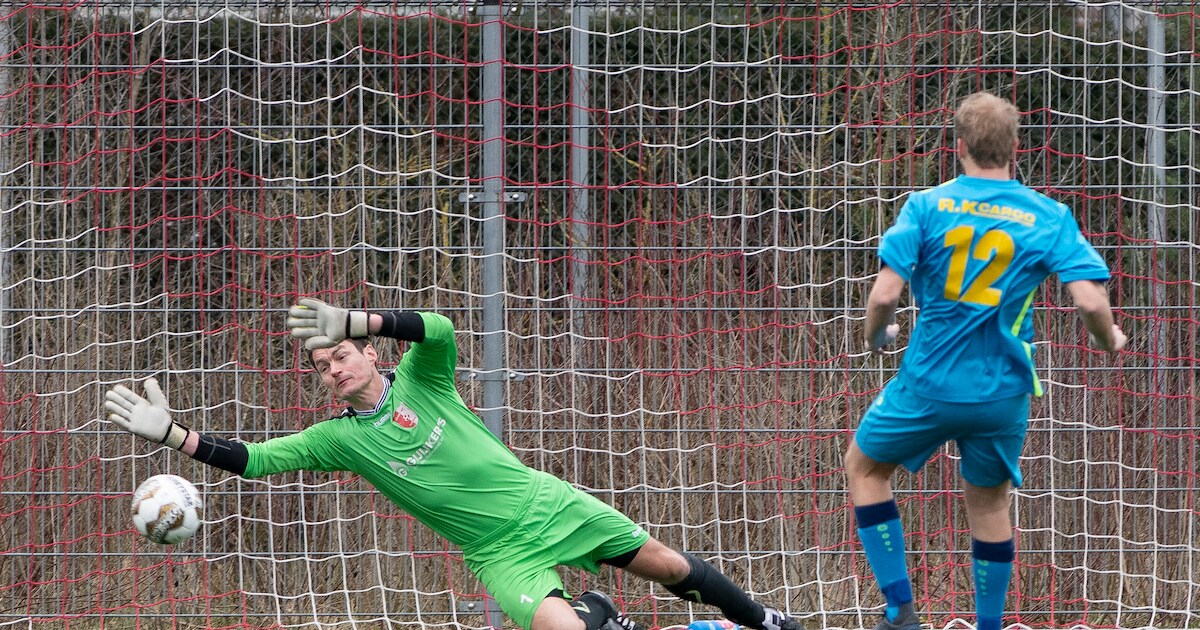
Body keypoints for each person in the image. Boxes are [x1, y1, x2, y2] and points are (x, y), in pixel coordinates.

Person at [105, 299, 800, 630]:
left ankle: (766, 623)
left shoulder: (421, 379)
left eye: (340, 355)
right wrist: (175, 435)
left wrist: (360, 319)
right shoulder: (337, 440)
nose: (334, 370)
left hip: (544, 502)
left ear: (366, 354)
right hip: (497, 552)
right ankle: (603, 617)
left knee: (673, 568)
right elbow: (254, 460)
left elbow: (438, 328)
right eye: (322, 367)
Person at [845, 92, 1128, 630]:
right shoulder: (1048, 215)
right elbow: (1091, 301)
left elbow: (884, 296)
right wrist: (1108, 337)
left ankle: (901, 612)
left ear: (958, 146)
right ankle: (989, 626)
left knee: (864, 468)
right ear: (1016, 147)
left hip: (927, 385)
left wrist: (877, 334)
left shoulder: (926, 206)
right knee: (989, 505)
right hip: (1002, 392)